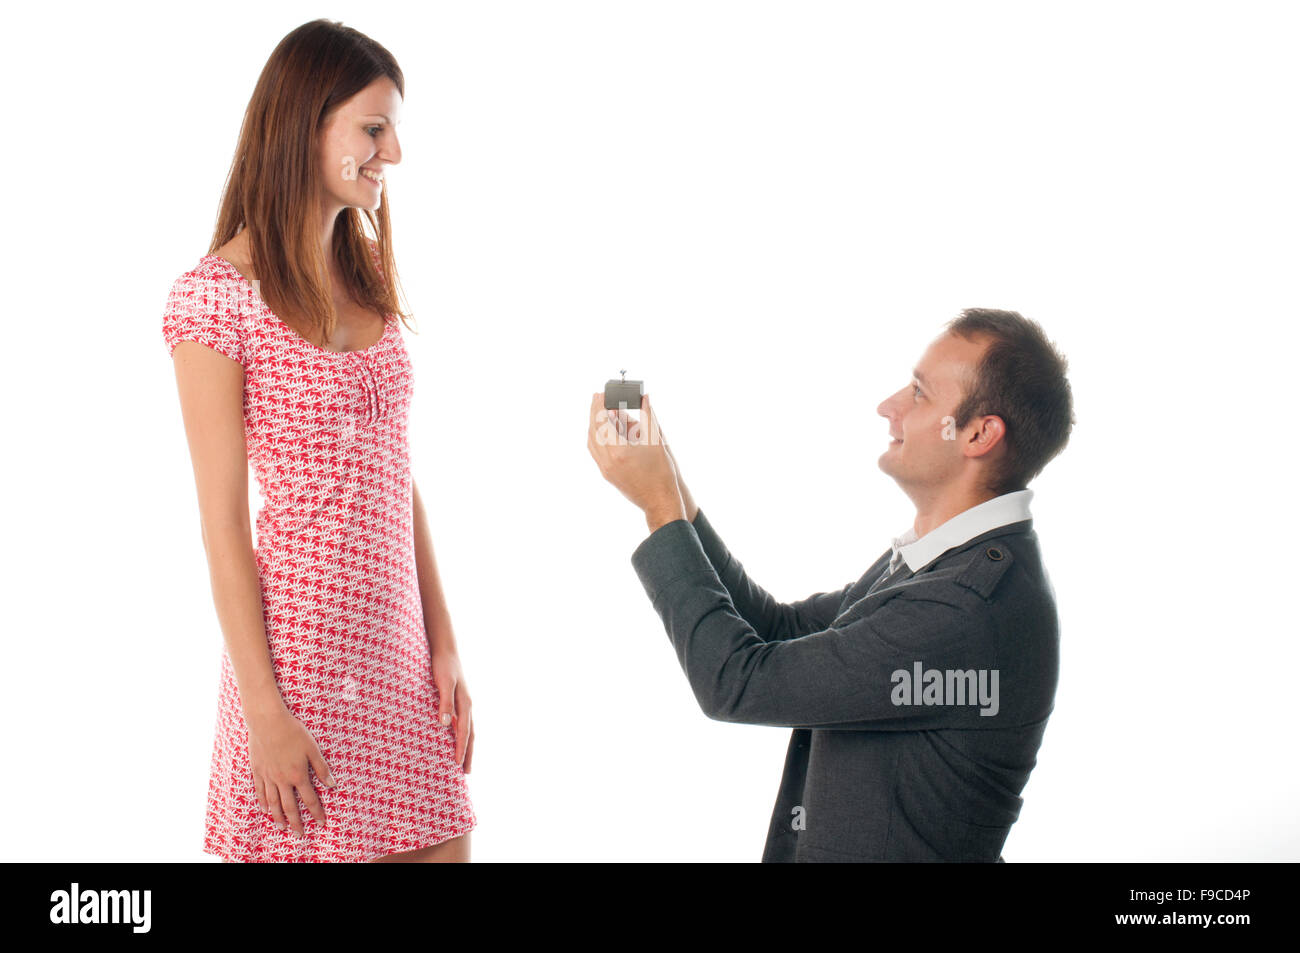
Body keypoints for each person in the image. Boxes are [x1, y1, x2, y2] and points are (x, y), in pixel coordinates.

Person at [587, 308, 1073, 861]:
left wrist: (658, 508)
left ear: (980, 433)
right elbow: (777, 630)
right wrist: (670, 485)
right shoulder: (945, 563)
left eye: (919, 394)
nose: (888, 407)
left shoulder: (965, 605)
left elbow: (739, 681)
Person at [162, 19, 475, 863]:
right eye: (373, 129)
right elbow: (222, 527)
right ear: (308, 126)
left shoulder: (363, 270)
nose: (394, 154)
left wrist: (442, 641)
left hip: (401, 671)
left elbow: (393, 473)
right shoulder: (214, 302)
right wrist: (265, 714)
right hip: (300, 677)